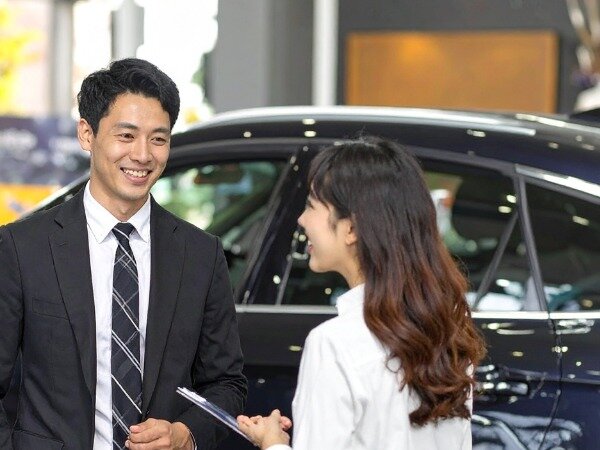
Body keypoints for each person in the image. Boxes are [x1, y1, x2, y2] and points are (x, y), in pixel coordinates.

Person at [0, 58, 247, 450]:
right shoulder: (22, 248)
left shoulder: (200, 254)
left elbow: (227, 384)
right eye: (126, 136)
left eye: (158, 139)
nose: (143, 155)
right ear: (87, 133)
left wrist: (185, 434)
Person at [237, 137, 486, 450]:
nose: (301, 219)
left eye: (312, 205)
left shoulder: (334, 344)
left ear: (352, 229)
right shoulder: (446, 328)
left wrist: (272, 442)